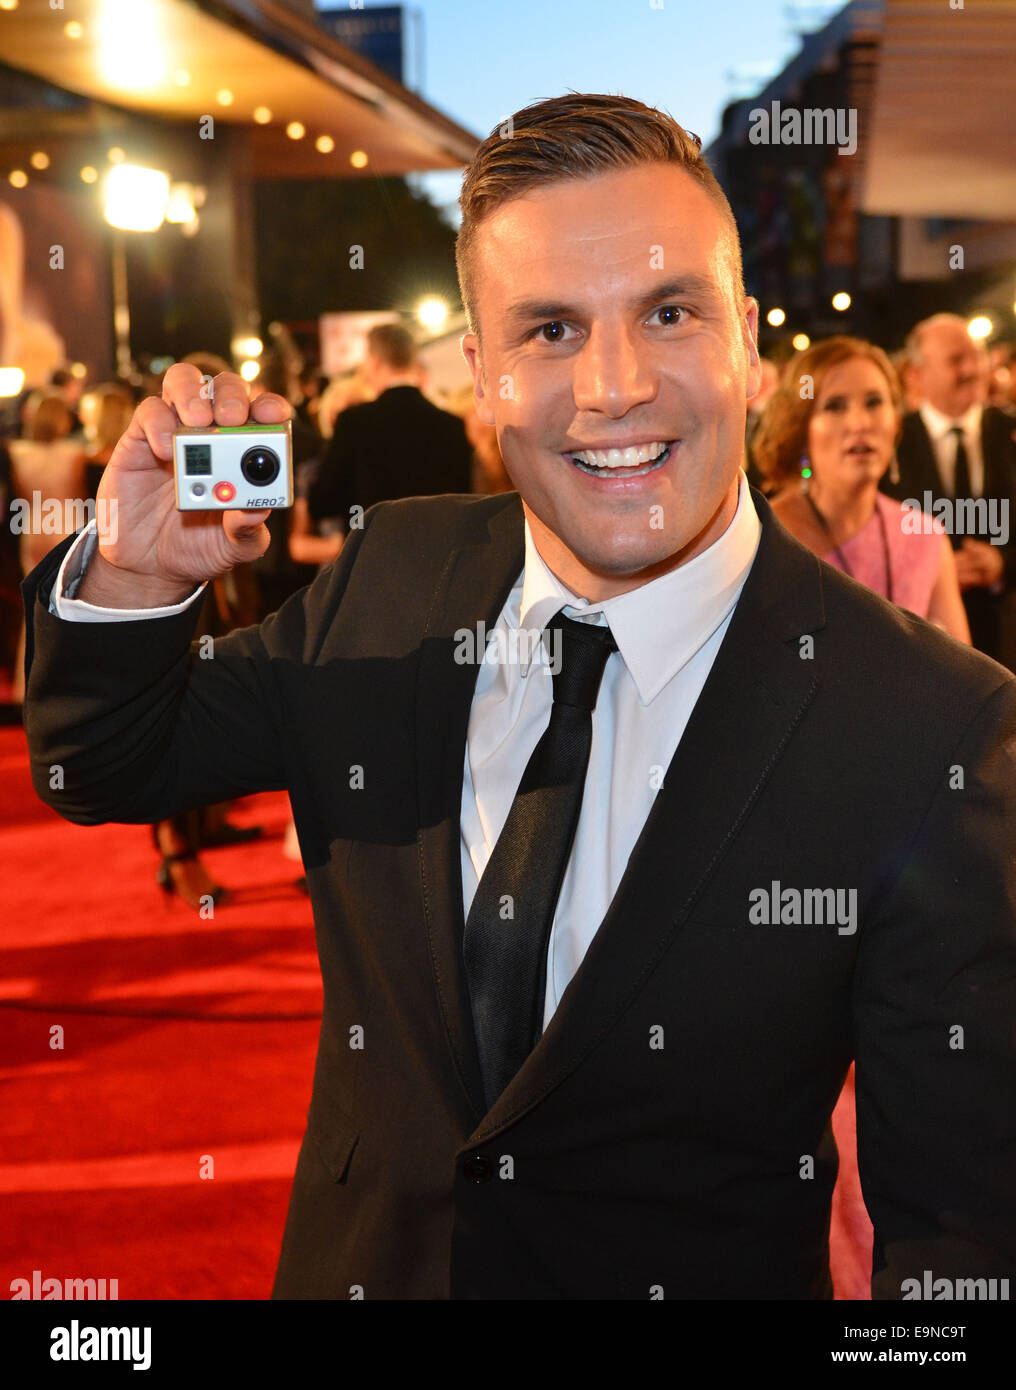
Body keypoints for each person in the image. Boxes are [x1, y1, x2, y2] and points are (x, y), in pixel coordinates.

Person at [20, 92, 1016, 1301]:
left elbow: (956, 1237)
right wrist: (131, 575)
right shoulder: (391, 575)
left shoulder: (926, 723)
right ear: (482, 376)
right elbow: (103, 764)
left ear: (750, 347)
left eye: (666, 311)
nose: (611, 385)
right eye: (548, 330)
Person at [756, 336, 969, 638]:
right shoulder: (762, 538)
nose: (859, 423)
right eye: (835, 406)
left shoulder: (924, 537)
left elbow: (964, 677)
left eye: (874, 402)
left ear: (895, 422)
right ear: (800, 428)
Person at [881, 313, 1016, 671]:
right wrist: (934, 569)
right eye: (956, 360)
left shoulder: (1010, 432)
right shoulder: (888, 444)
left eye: (977, 356)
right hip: (922, 648)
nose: (972, 369)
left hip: (1007, 638)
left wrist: (1003, 562)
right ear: (916, 374)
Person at [306, 323, 473, 528]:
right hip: (439, 548)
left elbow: (323, 501)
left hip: (371, 547)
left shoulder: (354, 422)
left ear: (374, 362)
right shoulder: (452, 425)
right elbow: (464, 499)